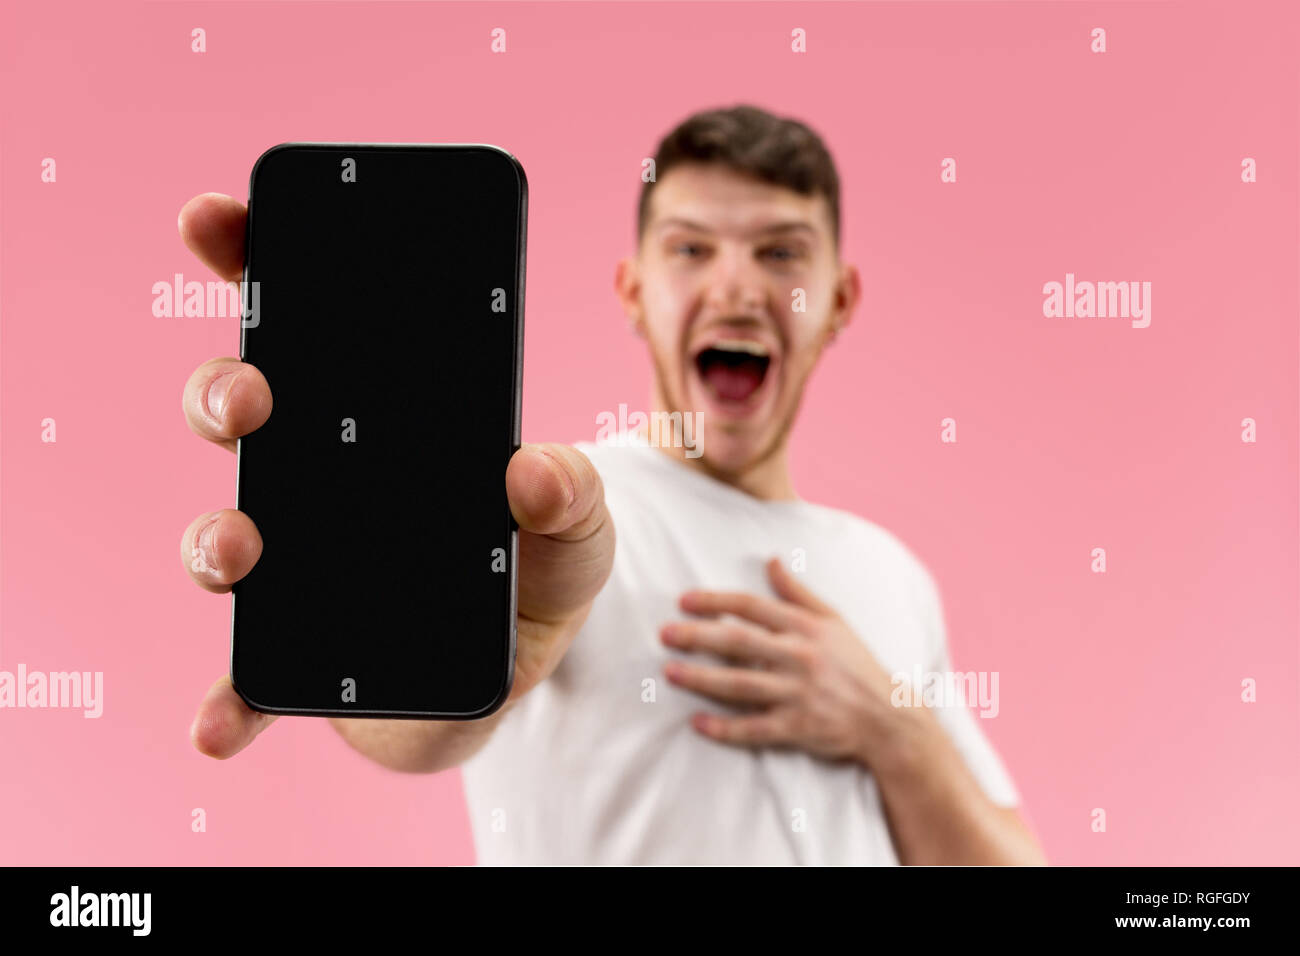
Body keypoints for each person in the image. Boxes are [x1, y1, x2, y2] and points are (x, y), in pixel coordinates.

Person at [179, 104, 1047, 865]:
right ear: (633, 293)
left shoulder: (891, 573)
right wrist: (473, 650)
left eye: (781, 251)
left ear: (839, 299)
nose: (738, 287)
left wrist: (893, 734)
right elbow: (404, 732)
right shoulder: (555, 512)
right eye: (691, 249)